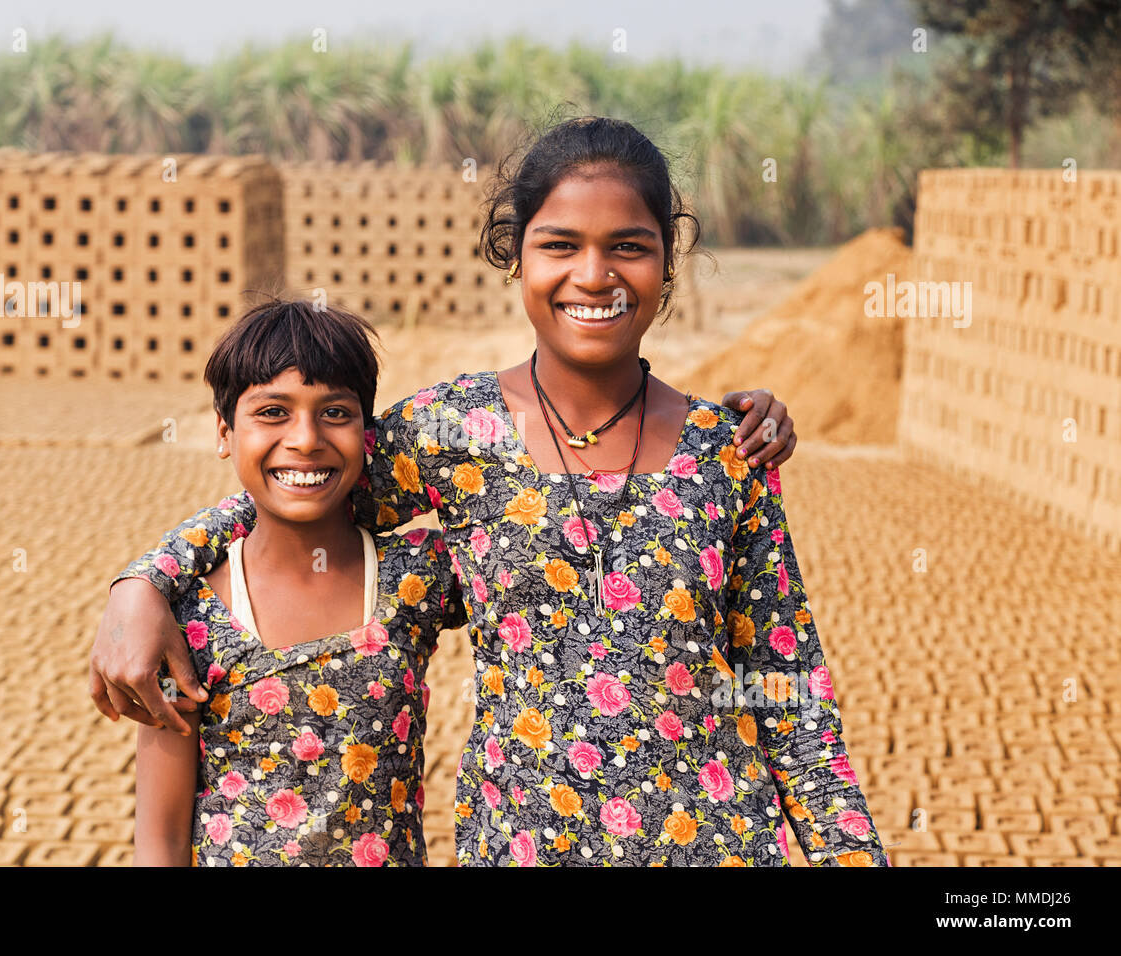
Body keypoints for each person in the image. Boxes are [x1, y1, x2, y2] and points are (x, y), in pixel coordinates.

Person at [96, 114, 889, 866]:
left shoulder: (729, 452)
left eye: (629, 247)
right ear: (515, 257)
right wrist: (145, 581)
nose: (593, 274)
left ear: (667, 263)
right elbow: (302, 486)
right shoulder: (450, 433)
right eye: (559, 245)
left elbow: (791, 700)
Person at [132, 299, 465, 866]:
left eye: (336, 412)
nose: (306, 439)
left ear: (368, 433)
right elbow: (160, 841)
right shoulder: (183, 616)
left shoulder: (419, 576)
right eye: (272, 413)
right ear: (224, 432)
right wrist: (137, 587)